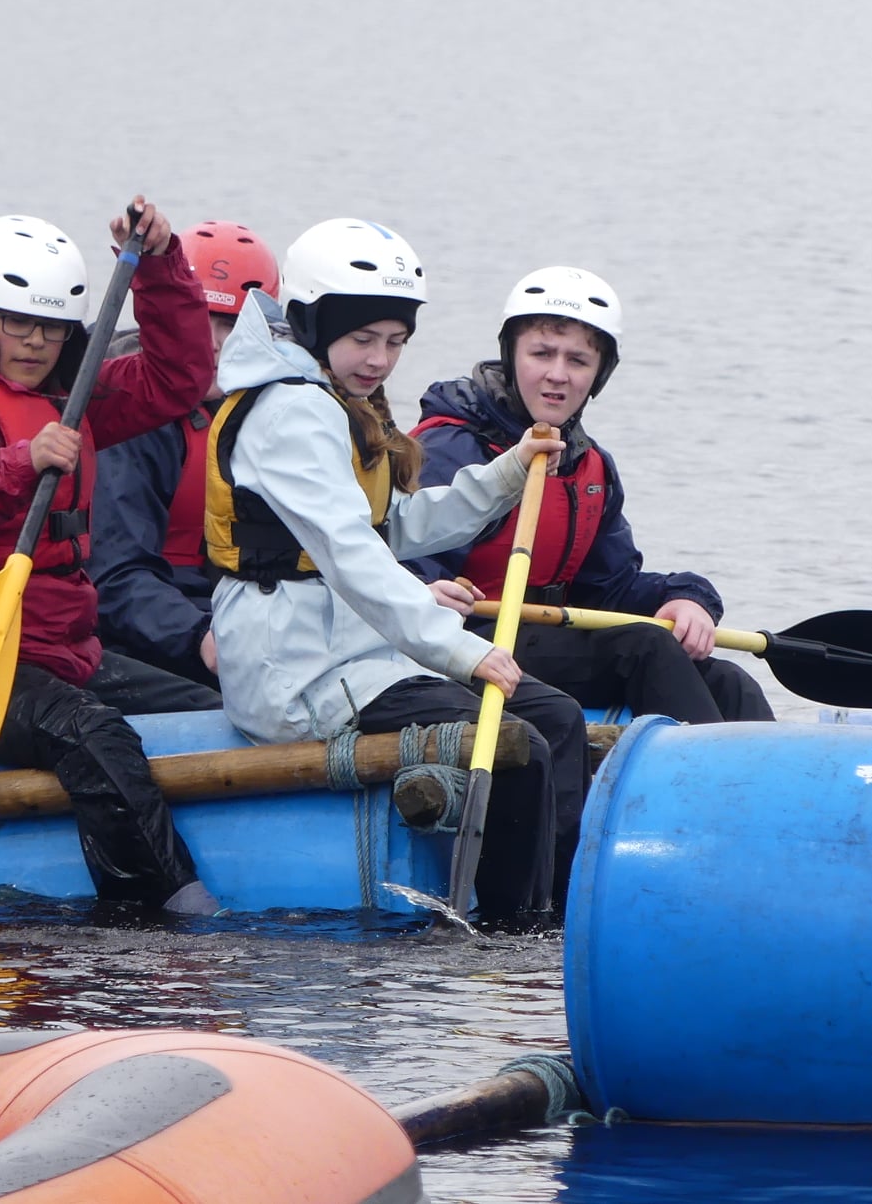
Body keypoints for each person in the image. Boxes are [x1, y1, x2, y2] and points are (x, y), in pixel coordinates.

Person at [206, 218, 587, 922]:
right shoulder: (290, 413)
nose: (380, 360)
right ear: (310, 323)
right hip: (294, 670)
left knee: (555, 716)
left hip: (354, 652)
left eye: (395, 341)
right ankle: (510, 933)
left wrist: (506, 473)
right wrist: (461, 651)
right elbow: (352, 556)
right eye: (363, 339)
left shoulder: (335, 399)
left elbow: (394, 526)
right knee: (519, 745)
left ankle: (562, 910)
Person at [0, 201, 223, 914]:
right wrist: (16, 464)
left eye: (52, 327)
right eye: (16, 323)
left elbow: (180, 377)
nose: (35, 342)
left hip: (64, 657)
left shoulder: (76, 396)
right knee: (92, 732)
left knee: (212, 708)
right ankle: (159, 908)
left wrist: (160, 267)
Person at [411, 266, 773, 724]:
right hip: (467, 642)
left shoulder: (589, 464)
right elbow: (408, 567)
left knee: (729, 680)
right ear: (511, 355)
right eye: (541, 354)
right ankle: (702, 766)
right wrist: (422, 591)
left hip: (546, 635)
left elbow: (610, 589)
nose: (557, 375)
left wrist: (687, 596)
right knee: (644, 646)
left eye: (578, 361)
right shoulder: (452, 447)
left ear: (599, 374)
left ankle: (766, 767)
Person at [90, 221, 279, 688]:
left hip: (234, 616)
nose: (211, 342)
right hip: (141, 631)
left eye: (230, 324)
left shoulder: (278, 411)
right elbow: (115, 575)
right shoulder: (131, 416)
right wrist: (199, 635)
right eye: (199, 317)